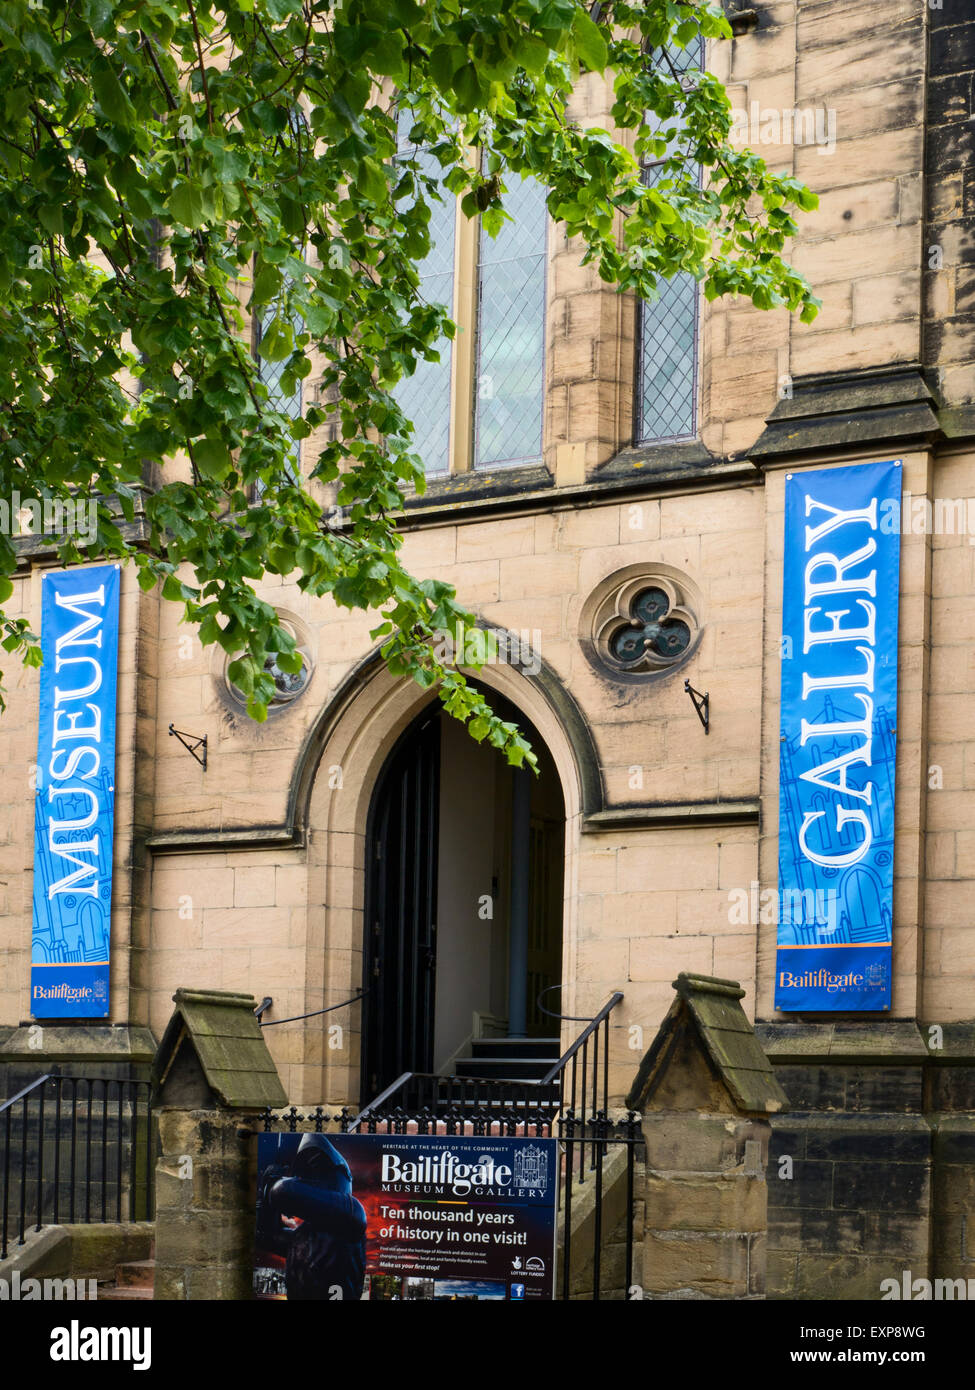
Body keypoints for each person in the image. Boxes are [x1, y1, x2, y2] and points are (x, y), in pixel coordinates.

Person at [261, 1134, 367, 1301]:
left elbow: (284, 1192)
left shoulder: (352, 1216)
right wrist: (267, 1197)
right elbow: (267, 1236)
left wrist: (272, 1184)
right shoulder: (301, 1236)